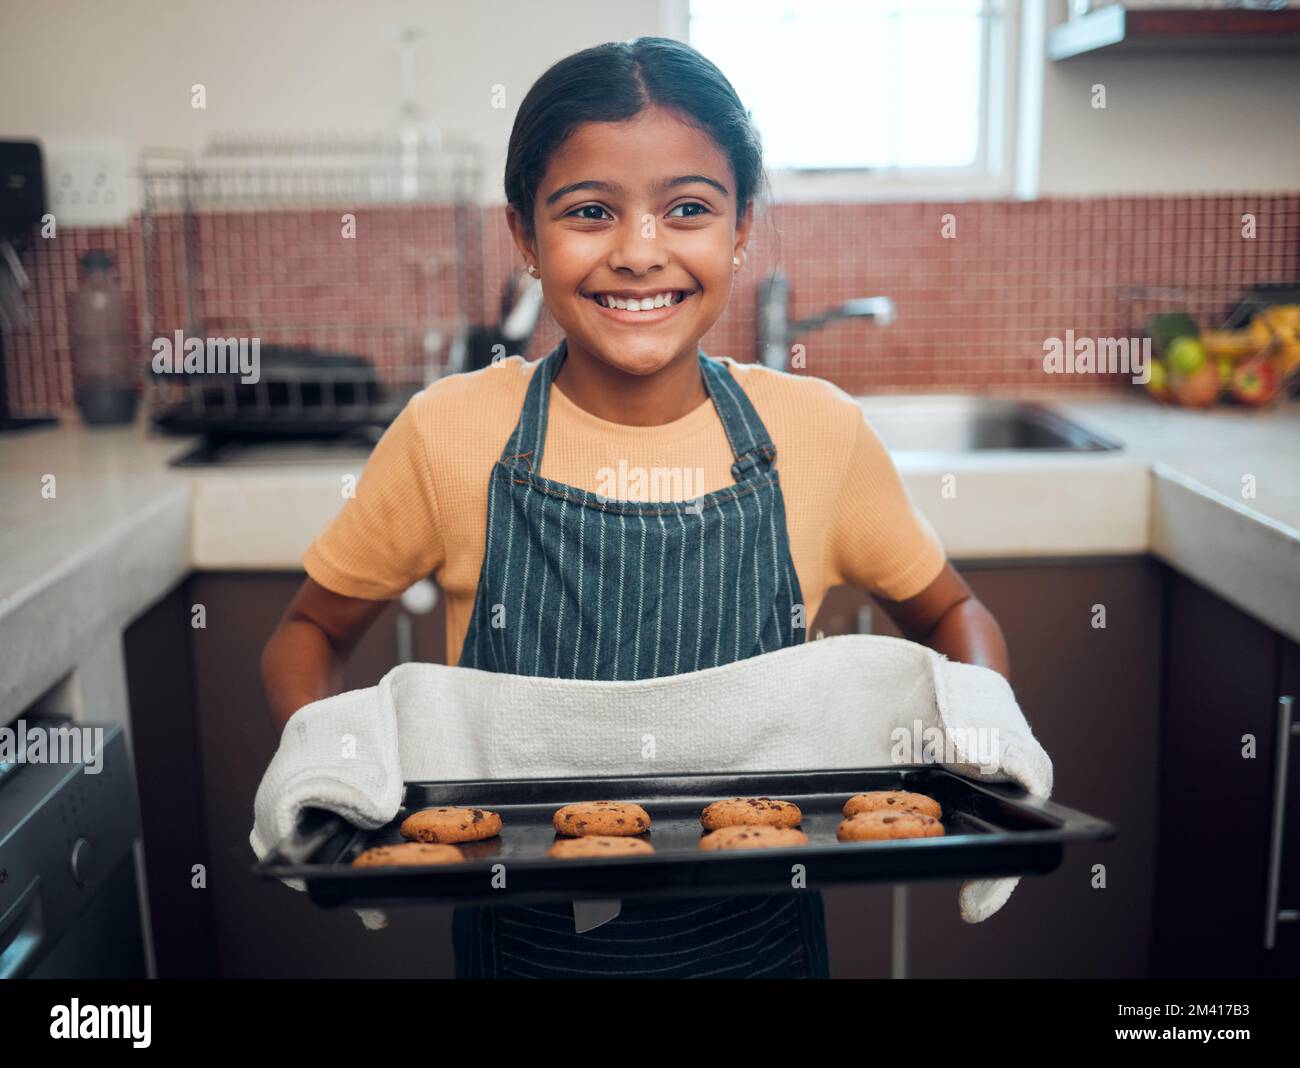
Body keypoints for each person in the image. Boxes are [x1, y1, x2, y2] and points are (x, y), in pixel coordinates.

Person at [260, 36, 1010, 979]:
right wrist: (329, 770)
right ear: (526, 238)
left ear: (740, 228)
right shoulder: (447, 435)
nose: (639, 251)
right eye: (589, 212)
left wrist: (987, 734)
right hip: (519, 949)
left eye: (688, 208)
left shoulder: (818, 433)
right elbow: (305, 633)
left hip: (763, 950)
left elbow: (952, 613)